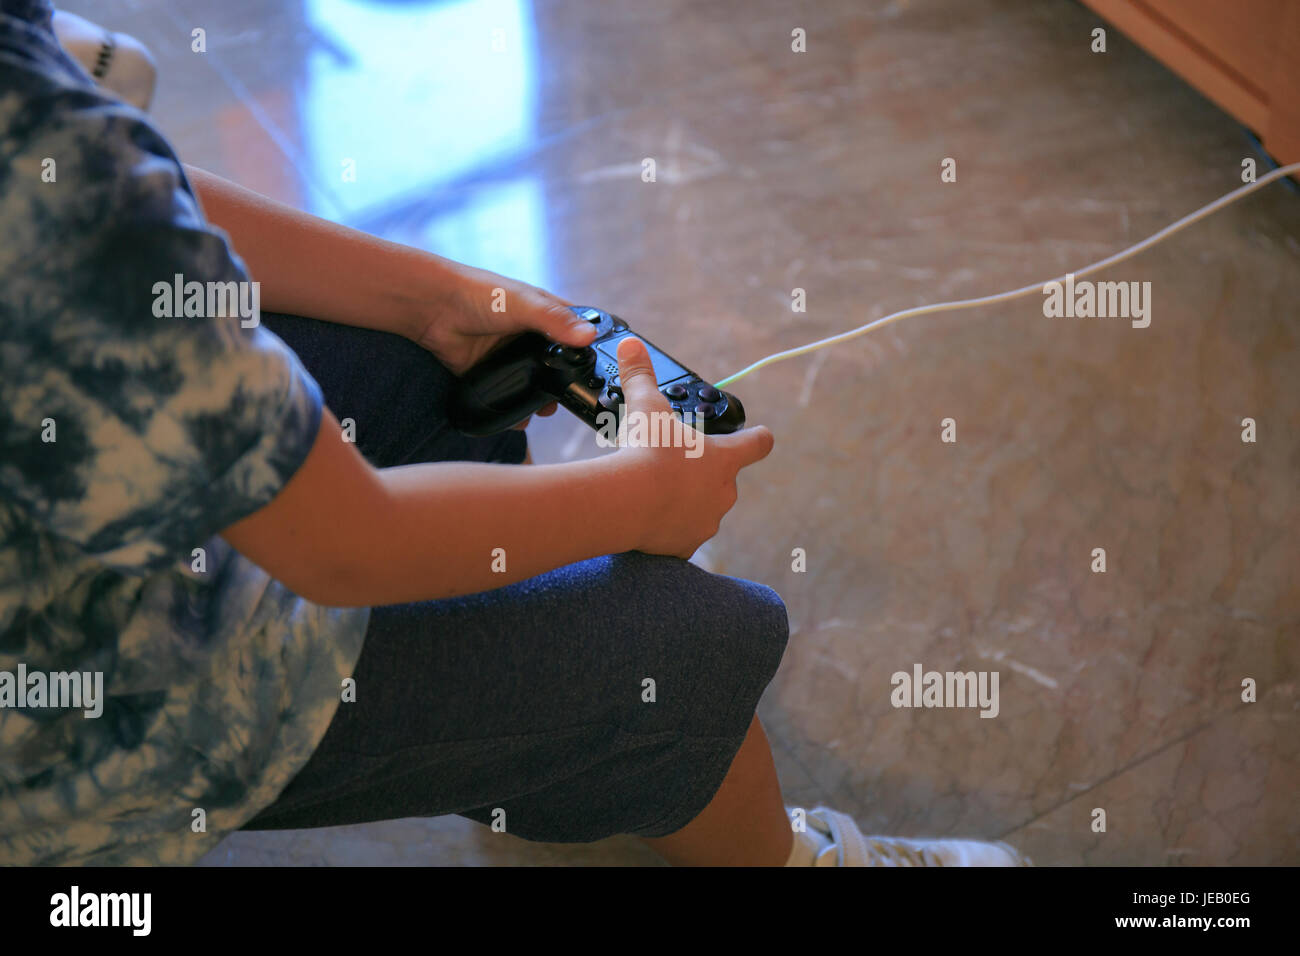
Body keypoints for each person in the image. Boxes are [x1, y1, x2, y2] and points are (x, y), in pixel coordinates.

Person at [0, 0, 1027, 867]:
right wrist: (640, 497)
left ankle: (531, 732)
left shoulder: (49, 142)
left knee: (437, 379)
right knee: (679, 645)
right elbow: (340, 543)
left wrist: (428, 299)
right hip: (58, 723)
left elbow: (129, 193)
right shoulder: (38, 160)